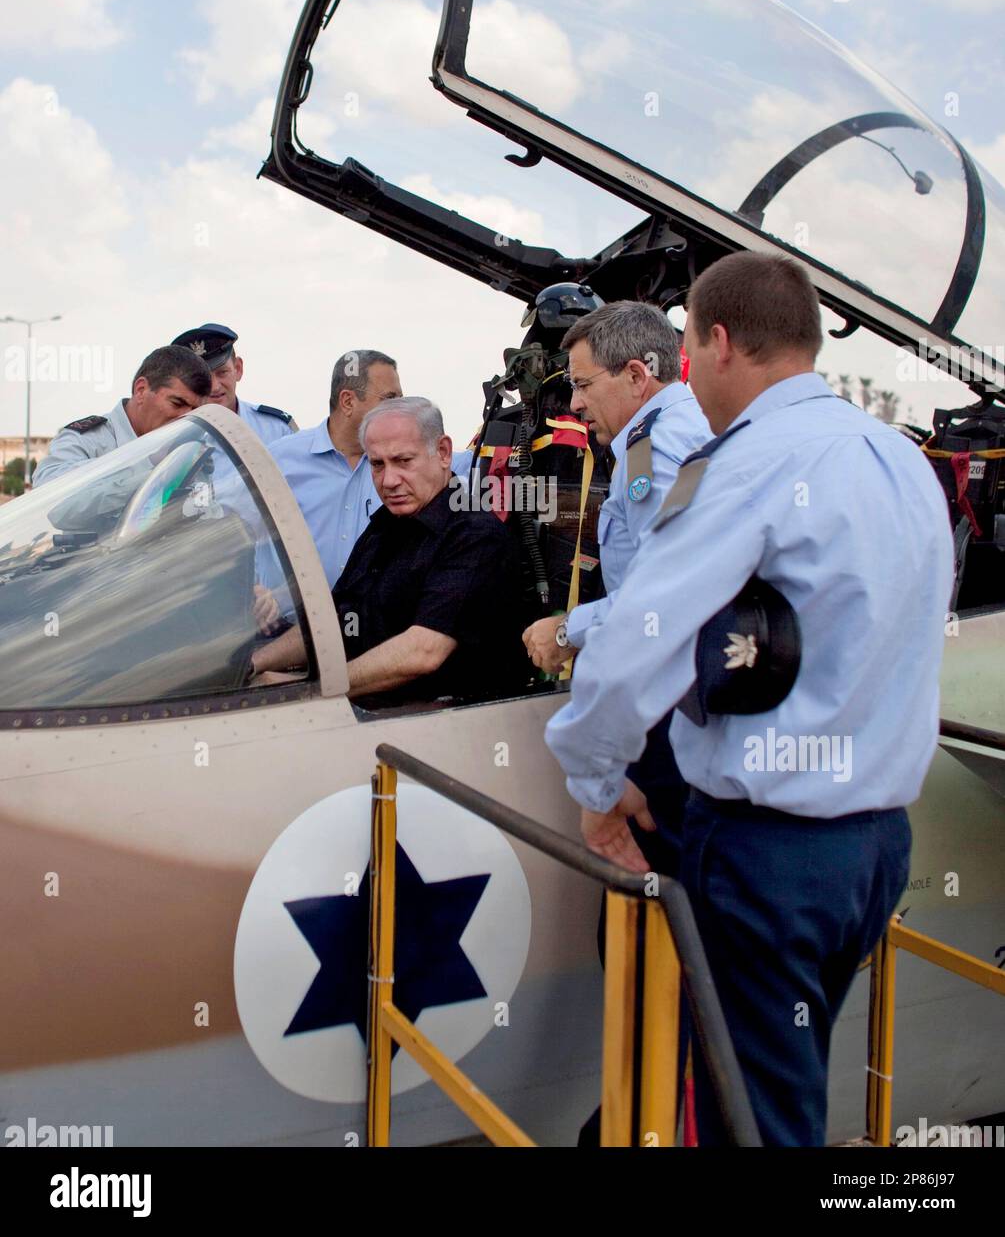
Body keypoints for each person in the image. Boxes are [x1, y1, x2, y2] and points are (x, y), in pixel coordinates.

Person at [544, 251, 954, 1147]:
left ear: (717, 343)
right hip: (874, 847)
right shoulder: (898, 457)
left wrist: (595, 781)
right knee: (777, 1086)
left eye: (687, 347)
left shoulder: (743, 467)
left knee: (741, 1116)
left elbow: (632, 651)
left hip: (767, 854)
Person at [522, 301, 710, 870]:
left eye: (583, 384)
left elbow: (675, 588)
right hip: (690, 706)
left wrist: (568, 629)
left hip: (670, 712)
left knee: (646, 916)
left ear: (635, 374)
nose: (574, 402)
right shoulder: (686, 430)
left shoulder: (649, 451)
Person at [251, 397, 527, 706]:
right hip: (368, 719)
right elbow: (334, 620)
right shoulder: (386, 526)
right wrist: (254, 664)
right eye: (377, 464)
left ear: (444, 452)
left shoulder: (475, 536)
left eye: (403, 461)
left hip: (443, 731)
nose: (389, 481)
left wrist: (305, 690)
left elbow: (422, 652)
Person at [267, 350, 402, 589]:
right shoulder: (278, 460)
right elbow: (239, 535)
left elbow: (462, 465)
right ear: (348, 401)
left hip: (379, 624)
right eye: (389, 399)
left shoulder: (409, 465)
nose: (400, 411)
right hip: (295, 623)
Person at [32, 345, 211, 487]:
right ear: (141, 390)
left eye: (194, 411)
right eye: (177, 403)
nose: (185, 418)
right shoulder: (88, 440)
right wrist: (147, 464)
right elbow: (47, 490)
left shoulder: (189, 449)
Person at [171, 323, 297, 445]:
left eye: (222, 372)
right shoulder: (177, 442)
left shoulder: (276, 429)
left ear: (238, 368)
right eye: (204, 377)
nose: (215, 387)